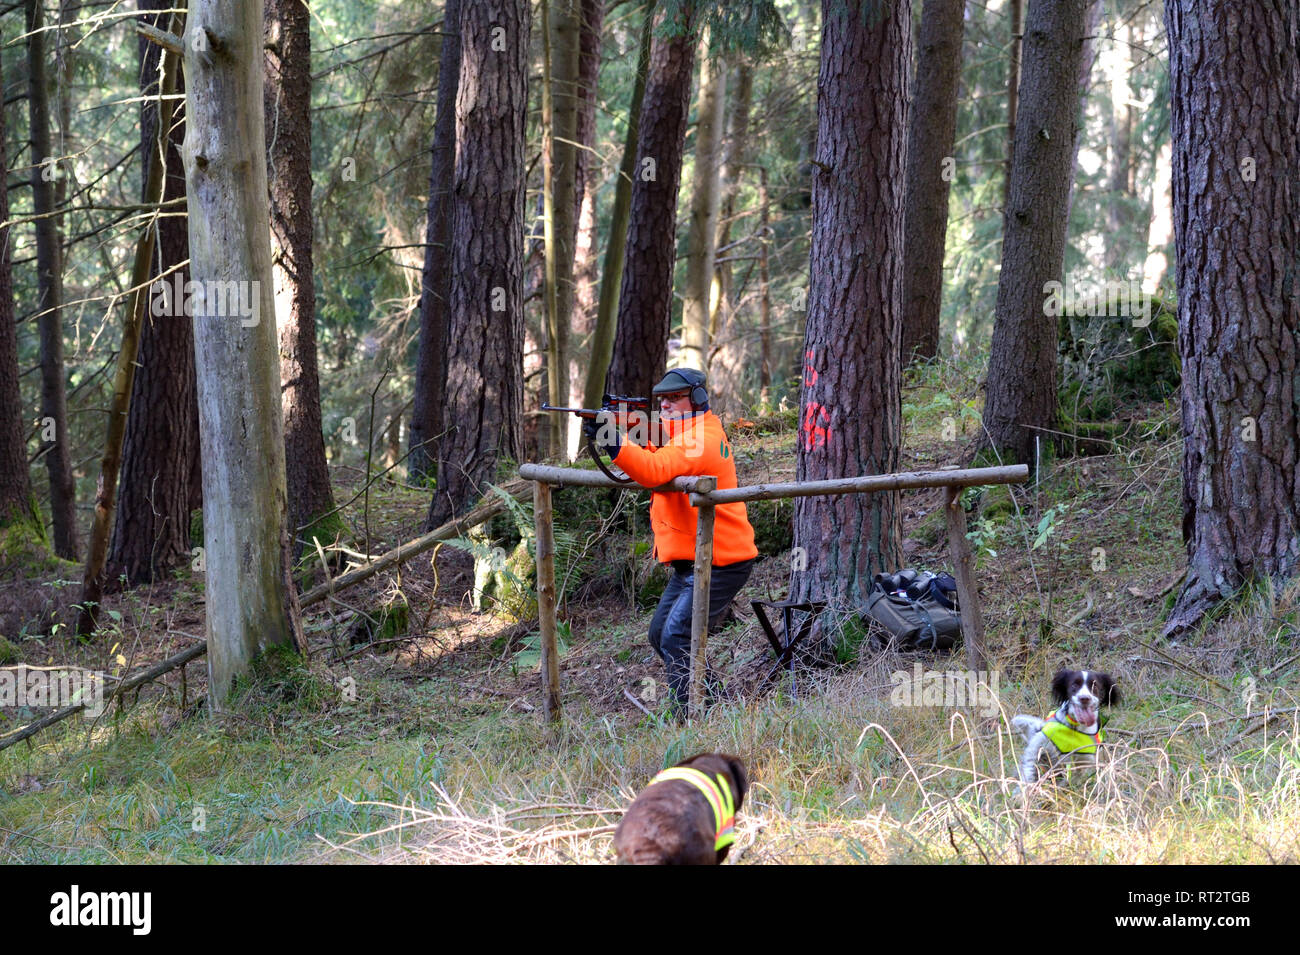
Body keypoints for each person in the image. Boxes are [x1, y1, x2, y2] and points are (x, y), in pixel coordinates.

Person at [584, 368, 757, 713]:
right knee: (660, 633)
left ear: (695, 399)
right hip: (696, 560)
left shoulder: (702, 438)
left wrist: (615, 440)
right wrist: (623, 423)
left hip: (721, 560)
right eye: (661, 399)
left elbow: (655, 468)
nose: (664, 404)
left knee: (677, 636)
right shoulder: (685, 430)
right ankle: (713, 702)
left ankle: (690, 713)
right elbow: (658, 437)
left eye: (673, 398)